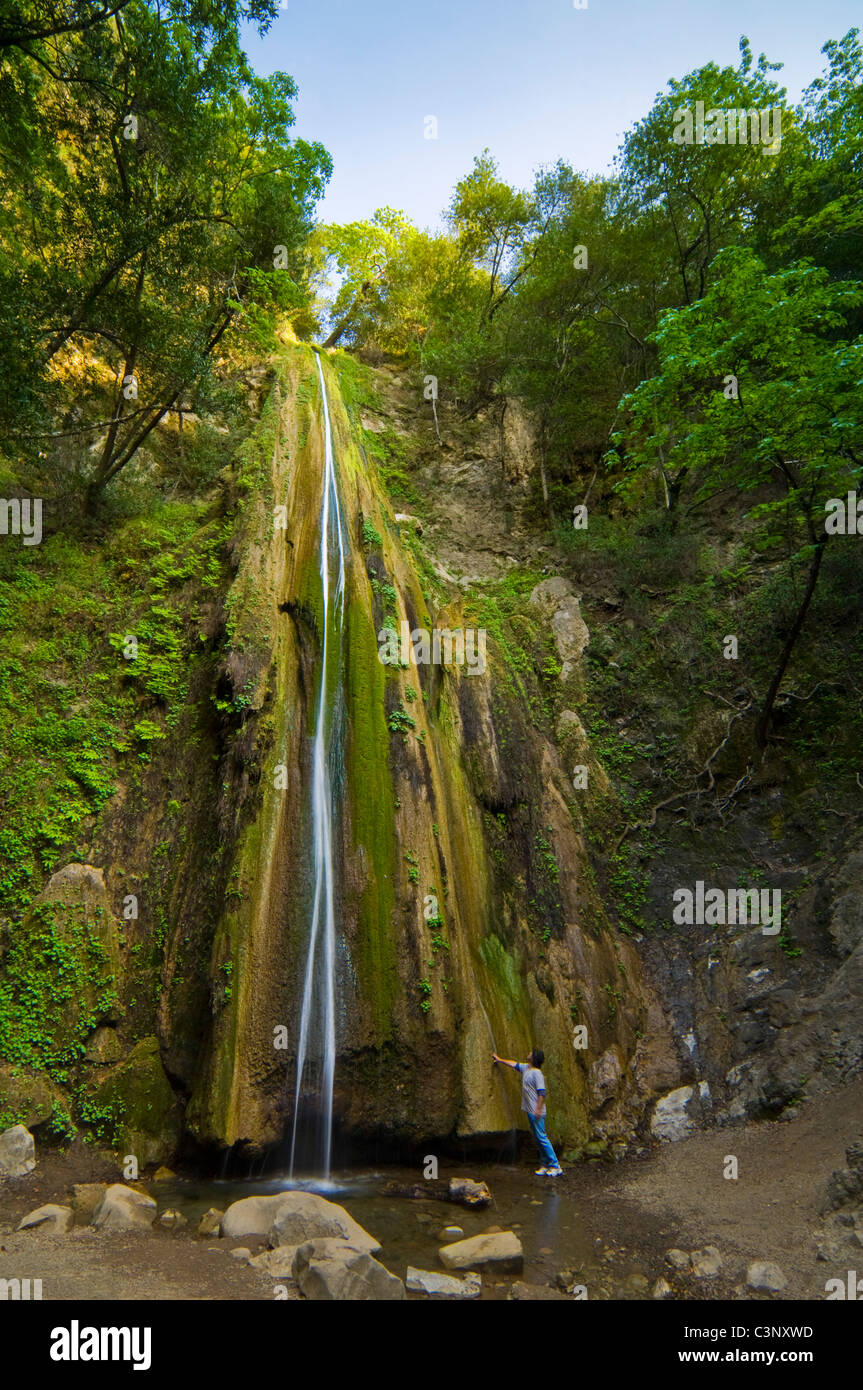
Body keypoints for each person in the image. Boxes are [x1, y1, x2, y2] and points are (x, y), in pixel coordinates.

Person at [492, 1047, 563, 1176]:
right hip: (530, 1110)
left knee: (542, 1138)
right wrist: (500, 1060)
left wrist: (538, 1108)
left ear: (534, 1058)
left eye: (531, 1053)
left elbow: (542, 1092)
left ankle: (555, 1165)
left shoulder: (537, 1073)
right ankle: (544, 1164)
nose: (528, 1053)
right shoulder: (527, 1068)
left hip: (536, 1112)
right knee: (537, 1138)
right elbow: (514, 1064)